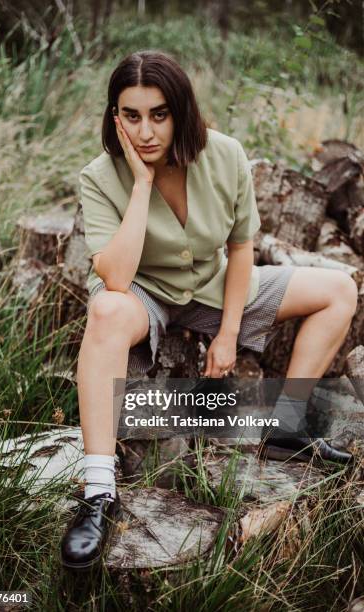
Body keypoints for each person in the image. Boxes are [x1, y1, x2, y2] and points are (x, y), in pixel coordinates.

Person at [60, 50, 358, 570]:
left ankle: (287, 428)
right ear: (115, 118)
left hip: (213, 285)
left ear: (181, 110)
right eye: (131, 116)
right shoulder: (99, 176)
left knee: (339, 289)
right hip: (142, 294)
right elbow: (117, 277)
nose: (146, 130)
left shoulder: (225, 155)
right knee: (106, 311)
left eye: (159, 114)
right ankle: (99, 492)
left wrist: (229, 332)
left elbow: (242, 247)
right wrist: (142, 184)